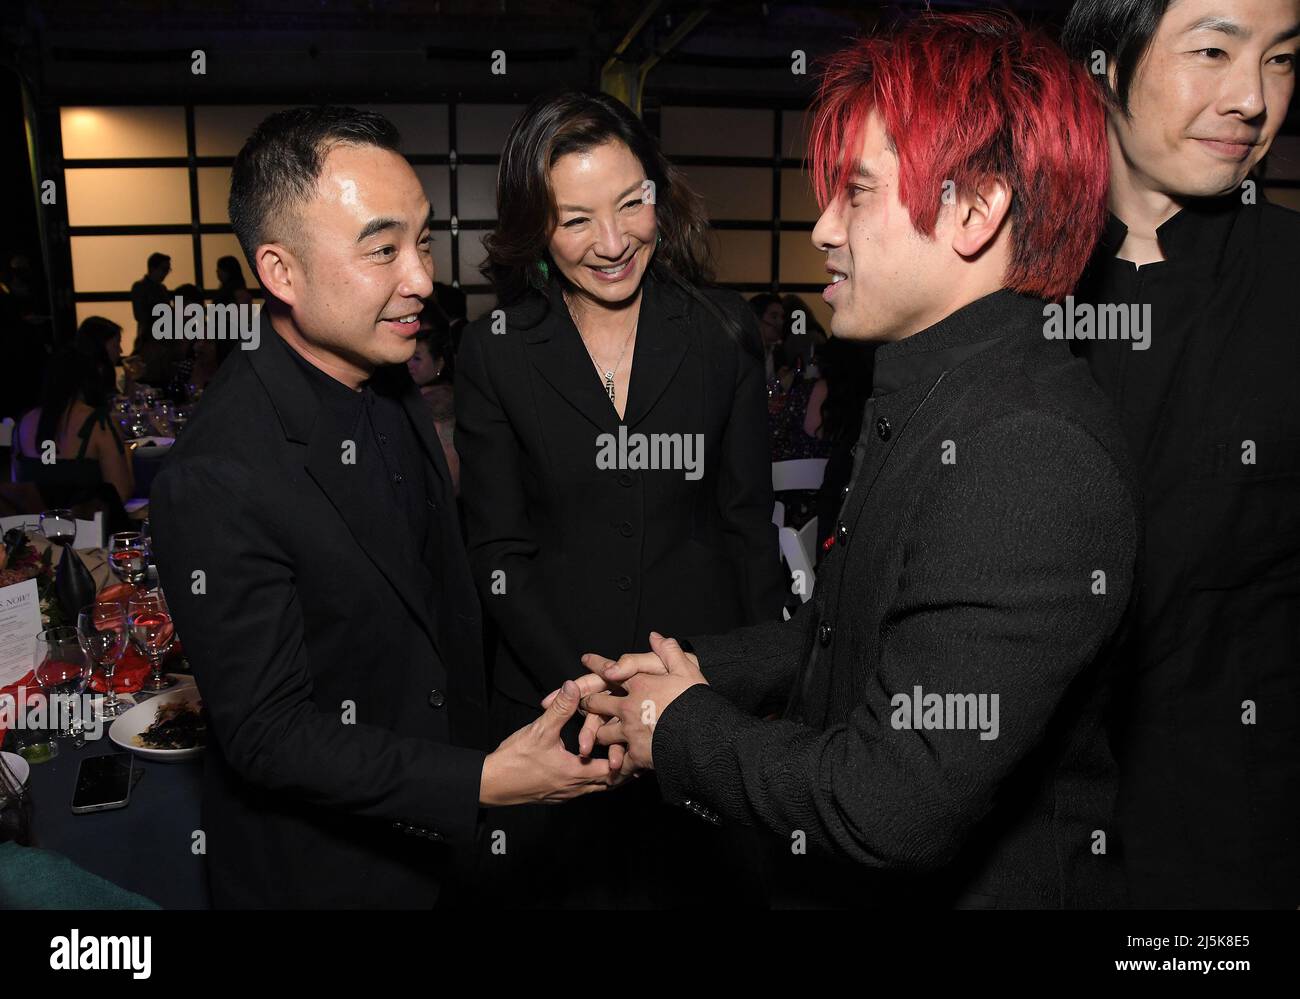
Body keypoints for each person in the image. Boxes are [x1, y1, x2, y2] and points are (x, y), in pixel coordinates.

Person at [567, 11, 1141, 909]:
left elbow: (890, 803)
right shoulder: (936, 390)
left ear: (977, 210)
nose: (824, 229)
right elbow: (852, 630)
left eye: (858, 193)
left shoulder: (1026, 450)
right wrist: (694, 670)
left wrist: (681, 728)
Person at [149, 106, 615, 910]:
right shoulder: (218, 472)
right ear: (280, 272)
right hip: (327, 877)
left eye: (423, 241)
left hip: (452, 859)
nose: (423, 280)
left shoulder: (389, 379)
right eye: (382, 250)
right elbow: (266, 732)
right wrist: (480, 780)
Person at [456, 90, 785, 906]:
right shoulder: (495, 352)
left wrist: (766, 687)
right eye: (575, 220)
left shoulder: (722, 331)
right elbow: (499, 552)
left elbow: (749, 526)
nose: (613, 243)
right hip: (553, 707)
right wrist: (595, 692)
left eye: (632, 203)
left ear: (658, 195)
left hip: (697, 698)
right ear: (535, 224)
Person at [1063, 0, 1300, 909]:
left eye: (1282, 61)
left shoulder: (1287, 278)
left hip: (1242, 837)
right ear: (1101, 63)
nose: (1252, 98)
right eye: (1214, 51)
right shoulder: (1003, 281)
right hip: (1032, 834)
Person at [11, 347, 134, 531]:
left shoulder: (24, 422)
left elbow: (18, 488)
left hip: (35, 536)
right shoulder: (97, 424)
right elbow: (120, 494)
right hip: (89, 538)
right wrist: (127, 454)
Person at [407, 309, 459, 494]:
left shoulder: (439, 401)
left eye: (417, 359)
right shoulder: (427, 395)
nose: (409, 365)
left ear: (439, 363)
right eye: (408, 358)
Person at [212, 255, 255, 367]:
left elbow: (244, 313)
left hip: (229, 333)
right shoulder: (234, 287)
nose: (217, 272)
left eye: (220, 269)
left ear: (227, 271)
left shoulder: (235, 288)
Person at [129, 252, 170, 354]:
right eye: (164, 270)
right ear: (152, 268)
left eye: (167, 270)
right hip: (149, 338)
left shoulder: (160, 288)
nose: (166, 273)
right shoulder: (141, 287)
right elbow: (140, 316)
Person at [74, 315, 124, 395]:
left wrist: (130, 378)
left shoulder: (106, 370)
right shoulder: (76, 376)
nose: (121, 351)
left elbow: (117, 403)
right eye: (116, 345)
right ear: (99, 345)